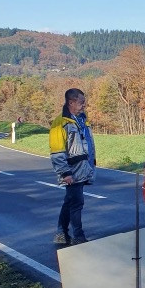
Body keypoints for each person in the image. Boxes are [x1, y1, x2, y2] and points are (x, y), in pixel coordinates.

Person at [49, 89, 96, 245]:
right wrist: (65, 173)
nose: (84, 105)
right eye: (81, 101)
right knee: (77, 202)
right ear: (71, 102)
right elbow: (57, 151)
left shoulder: (82, 120)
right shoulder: (60, 123)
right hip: (72, 171)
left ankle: (61, 233)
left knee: (70, 201)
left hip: (83, 169)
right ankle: (78, 236)